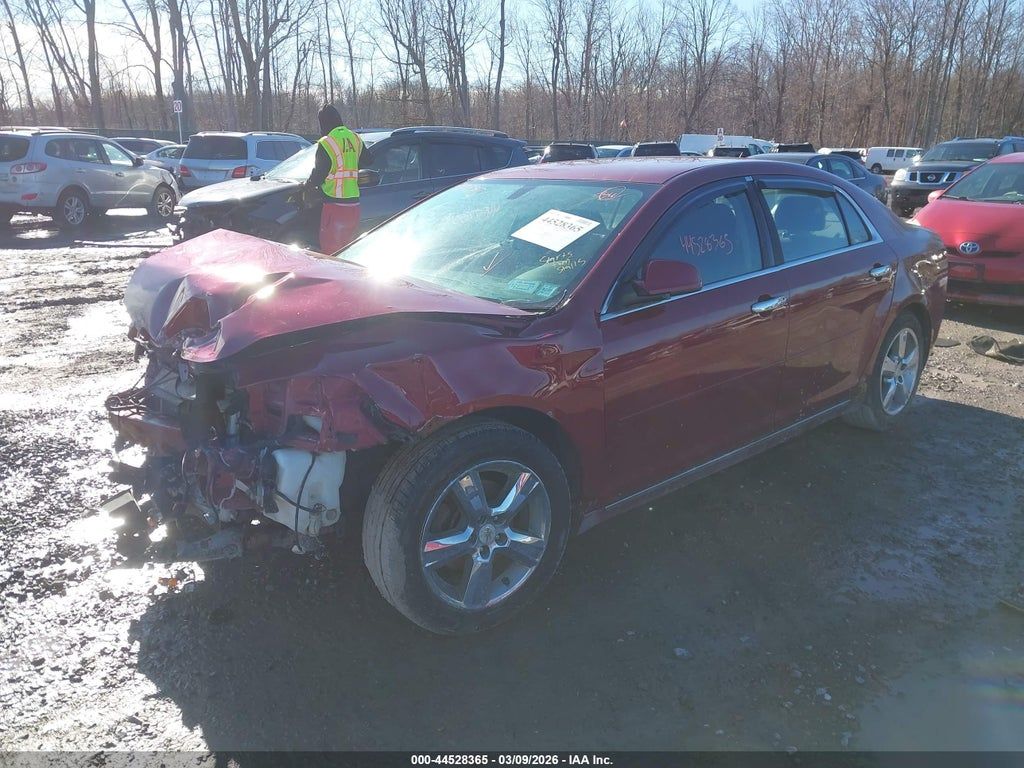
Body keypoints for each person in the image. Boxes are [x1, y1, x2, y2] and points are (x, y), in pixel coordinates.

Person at [306, 104, 363, 253]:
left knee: (331, 253)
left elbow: (319, 175)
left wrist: (307, 185)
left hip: (334, 206)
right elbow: (368, 160)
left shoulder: (326, 142)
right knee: (350, 252)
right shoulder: (355, 138)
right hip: (354, 206)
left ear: (323, 122)